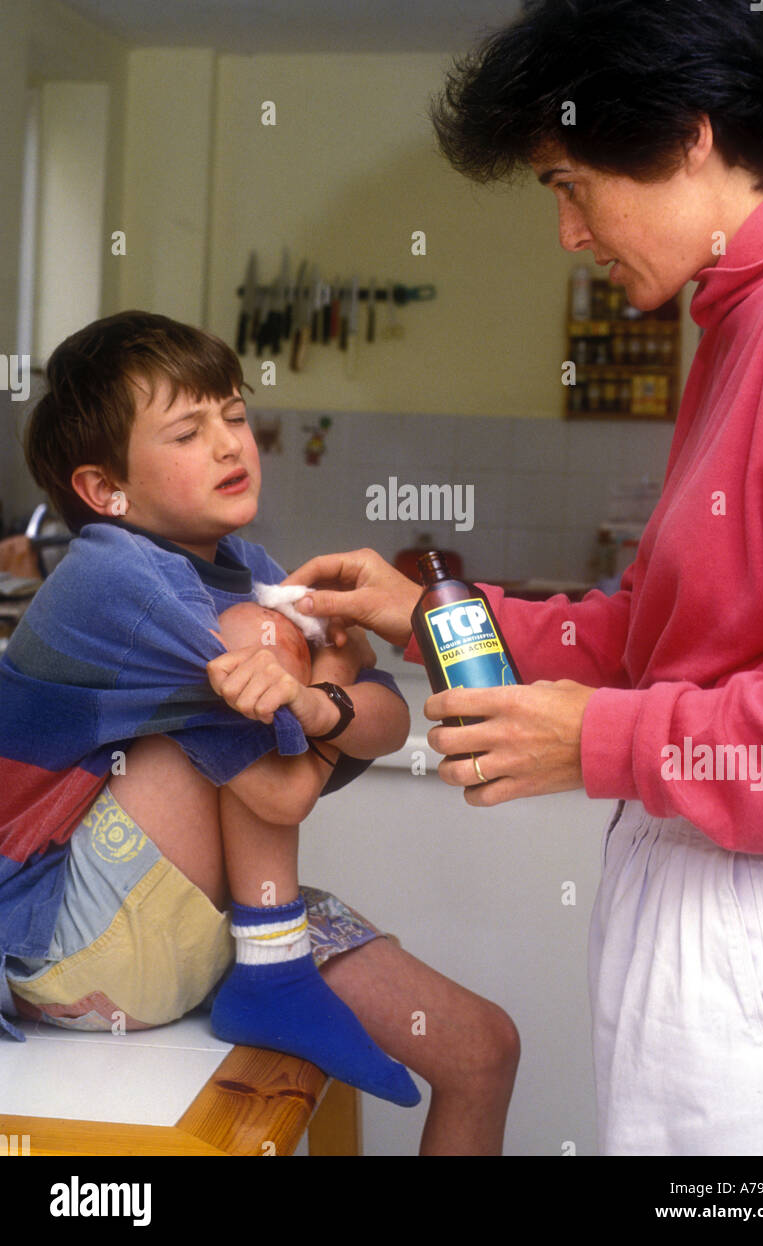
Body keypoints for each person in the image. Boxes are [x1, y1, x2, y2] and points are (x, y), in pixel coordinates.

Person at [286, 0, 763, 1156]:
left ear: (691, 131)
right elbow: (655, 632)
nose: (569, 234)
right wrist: (430, 612)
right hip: (711, 881)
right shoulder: (742, 312)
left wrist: (605, 739)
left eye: (568, 184)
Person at [0, 310, 519, 1156]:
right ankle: (274, 976)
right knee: (264, 637)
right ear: (105, 492)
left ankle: (269, 966)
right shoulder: (114, 574)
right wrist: (326, 679)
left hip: (201, 926)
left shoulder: (248, 570)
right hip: (60, 940)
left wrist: (323, 703)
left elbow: (387, 720)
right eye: (189, 430)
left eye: (236, 415)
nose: (231, 443)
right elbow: (284, 790)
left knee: (482, 1048)